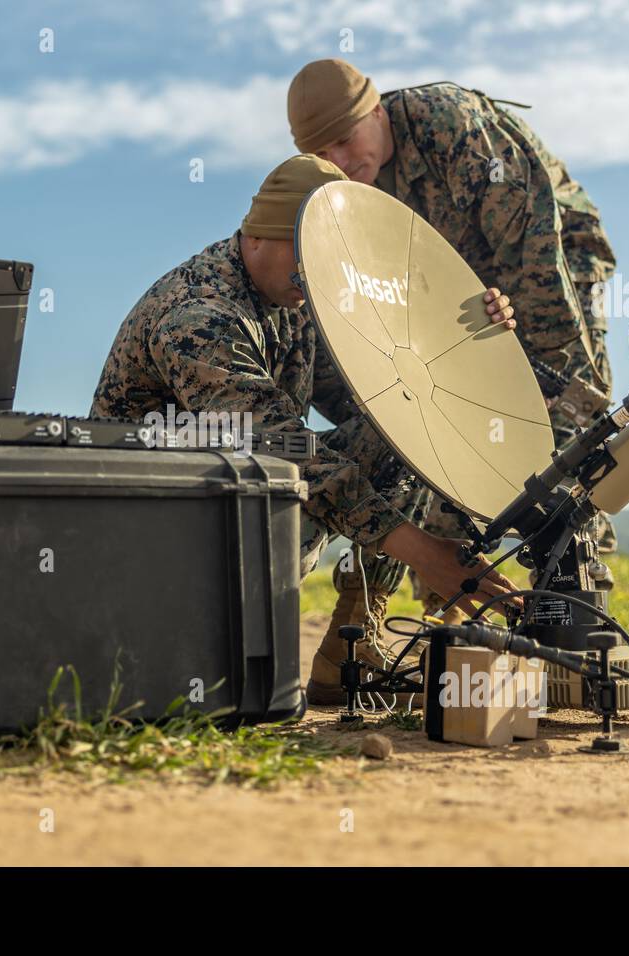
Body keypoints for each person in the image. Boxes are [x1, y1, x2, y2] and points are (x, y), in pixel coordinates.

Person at [91, 154, 520, 705]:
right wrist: (425, 554)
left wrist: (464, 333)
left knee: (398, 431)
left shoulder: (291, 298)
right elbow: (284, 450)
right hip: (153, 536)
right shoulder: (198, 316)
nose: (316, 276)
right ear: (259, 236)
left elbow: (379, 400)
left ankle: (352, 646)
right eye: (308, 258)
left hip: (233, 503)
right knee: (307, 461)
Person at [286, 58, 618, 634]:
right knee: (428, 415)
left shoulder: (453, 127)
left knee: (562, 420)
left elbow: (535, 253)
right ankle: (455, 603)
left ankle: (574, 600)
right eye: (323, 152)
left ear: (377, 110)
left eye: (346, 139)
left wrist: (568, 395)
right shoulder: (338, 187)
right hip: (448, 289)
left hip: (546, 260)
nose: (339, 162)